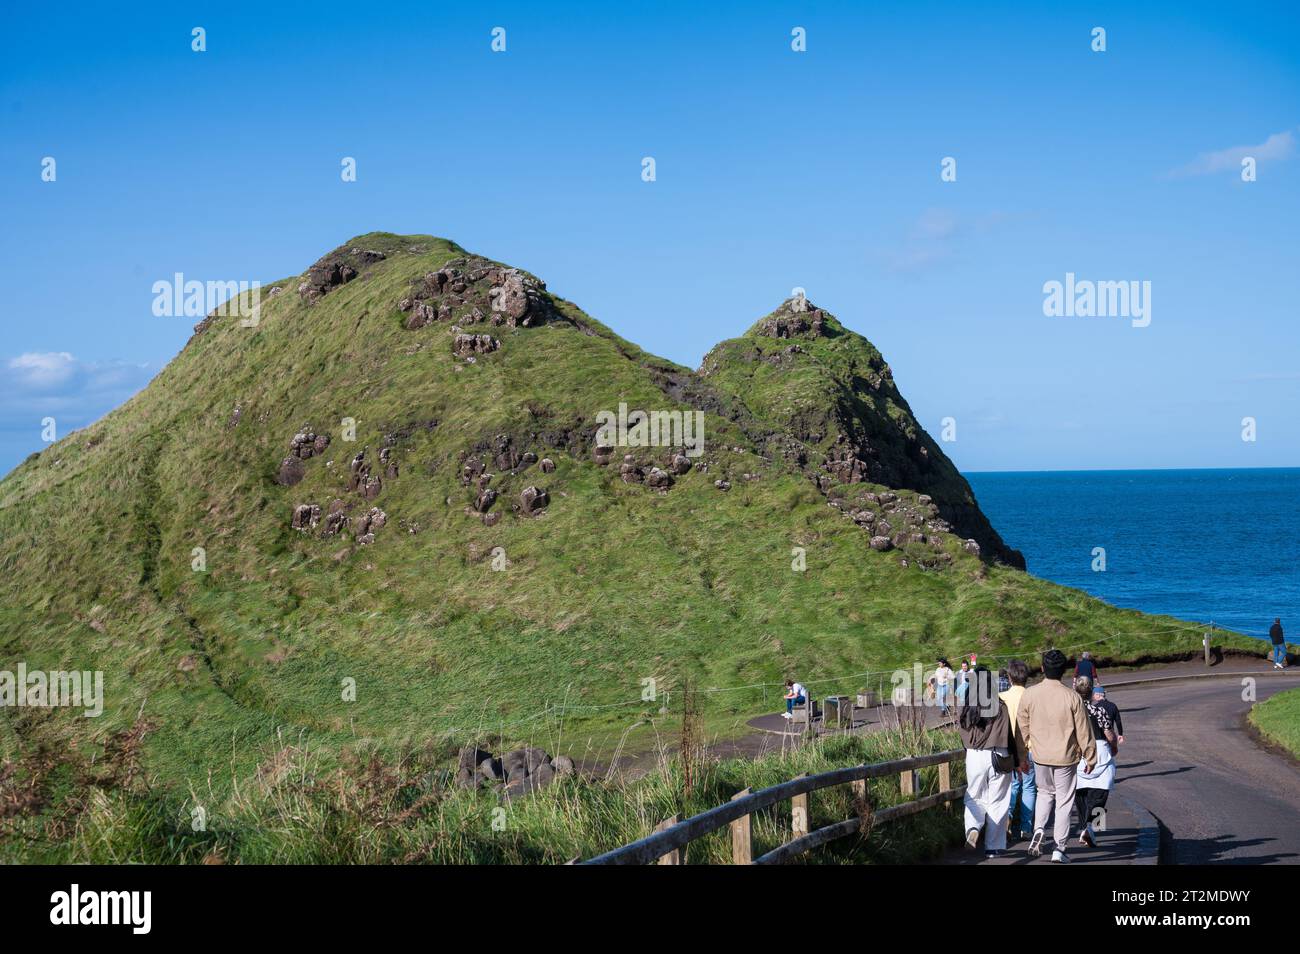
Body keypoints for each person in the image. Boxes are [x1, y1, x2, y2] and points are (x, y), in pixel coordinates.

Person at [1016, 648, 1097, 864]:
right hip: (1066, 758)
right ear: (1064, 671)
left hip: (1039, 755)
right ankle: (1059, 849)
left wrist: (1021, 757)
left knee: (1044, 794)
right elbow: (1084, 731)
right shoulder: (1072, 697)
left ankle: (1039, 829)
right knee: (1064, 802)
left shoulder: (1030, 694)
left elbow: (1021, 729)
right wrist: (1091, 756)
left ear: (1043, 668)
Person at [959, 666, 1016, 859]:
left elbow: (963, 735)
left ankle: (973, 827)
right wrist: (1017, 759)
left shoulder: (967, 708)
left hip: (974, 756)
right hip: (998, 754)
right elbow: (1009, 735)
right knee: (998, 801)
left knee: (974, 795)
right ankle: (993, 847)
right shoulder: (1000, 706)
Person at [1072, 676, 1117, 848]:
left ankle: (1087, 828)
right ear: (1091, 692)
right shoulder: (1099, 711)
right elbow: (1109, 733)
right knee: (1101, 792)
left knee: (1081, 794)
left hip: (1078, 753)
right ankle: (1094, 828)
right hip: (1100, 751)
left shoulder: (1072, 712)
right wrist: (1114, 746)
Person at [999, 659, 1035, 842]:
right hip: (1030, 748)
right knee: (1029, 786)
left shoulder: (1002, 697)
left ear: (1010, 677)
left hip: (1008, 748)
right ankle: (1026, 828)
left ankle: (1008, 817)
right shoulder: (1034, 696)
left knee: (1011, 786)